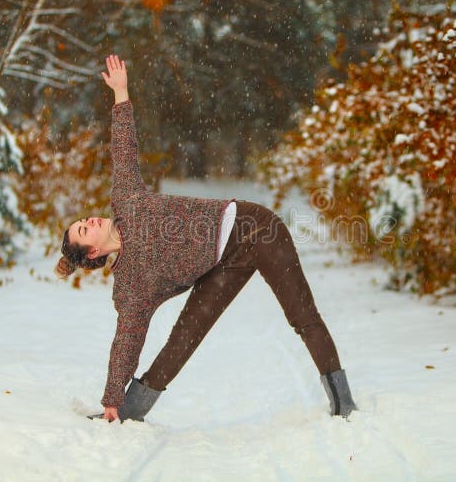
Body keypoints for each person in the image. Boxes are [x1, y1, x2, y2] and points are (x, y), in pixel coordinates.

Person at [55, 54, 357, 423]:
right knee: (184, 337)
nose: (90, 219)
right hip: (222, 263)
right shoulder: (131, 286)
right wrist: (111, 397)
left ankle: (343, 404)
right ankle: (127, 412)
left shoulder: (127, 200)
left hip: (254, 228)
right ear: (95, 251)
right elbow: (126, 342)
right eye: (85, 229)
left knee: (302, 315)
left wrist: (121, 94)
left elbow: (124, 151)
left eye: (84, 219)